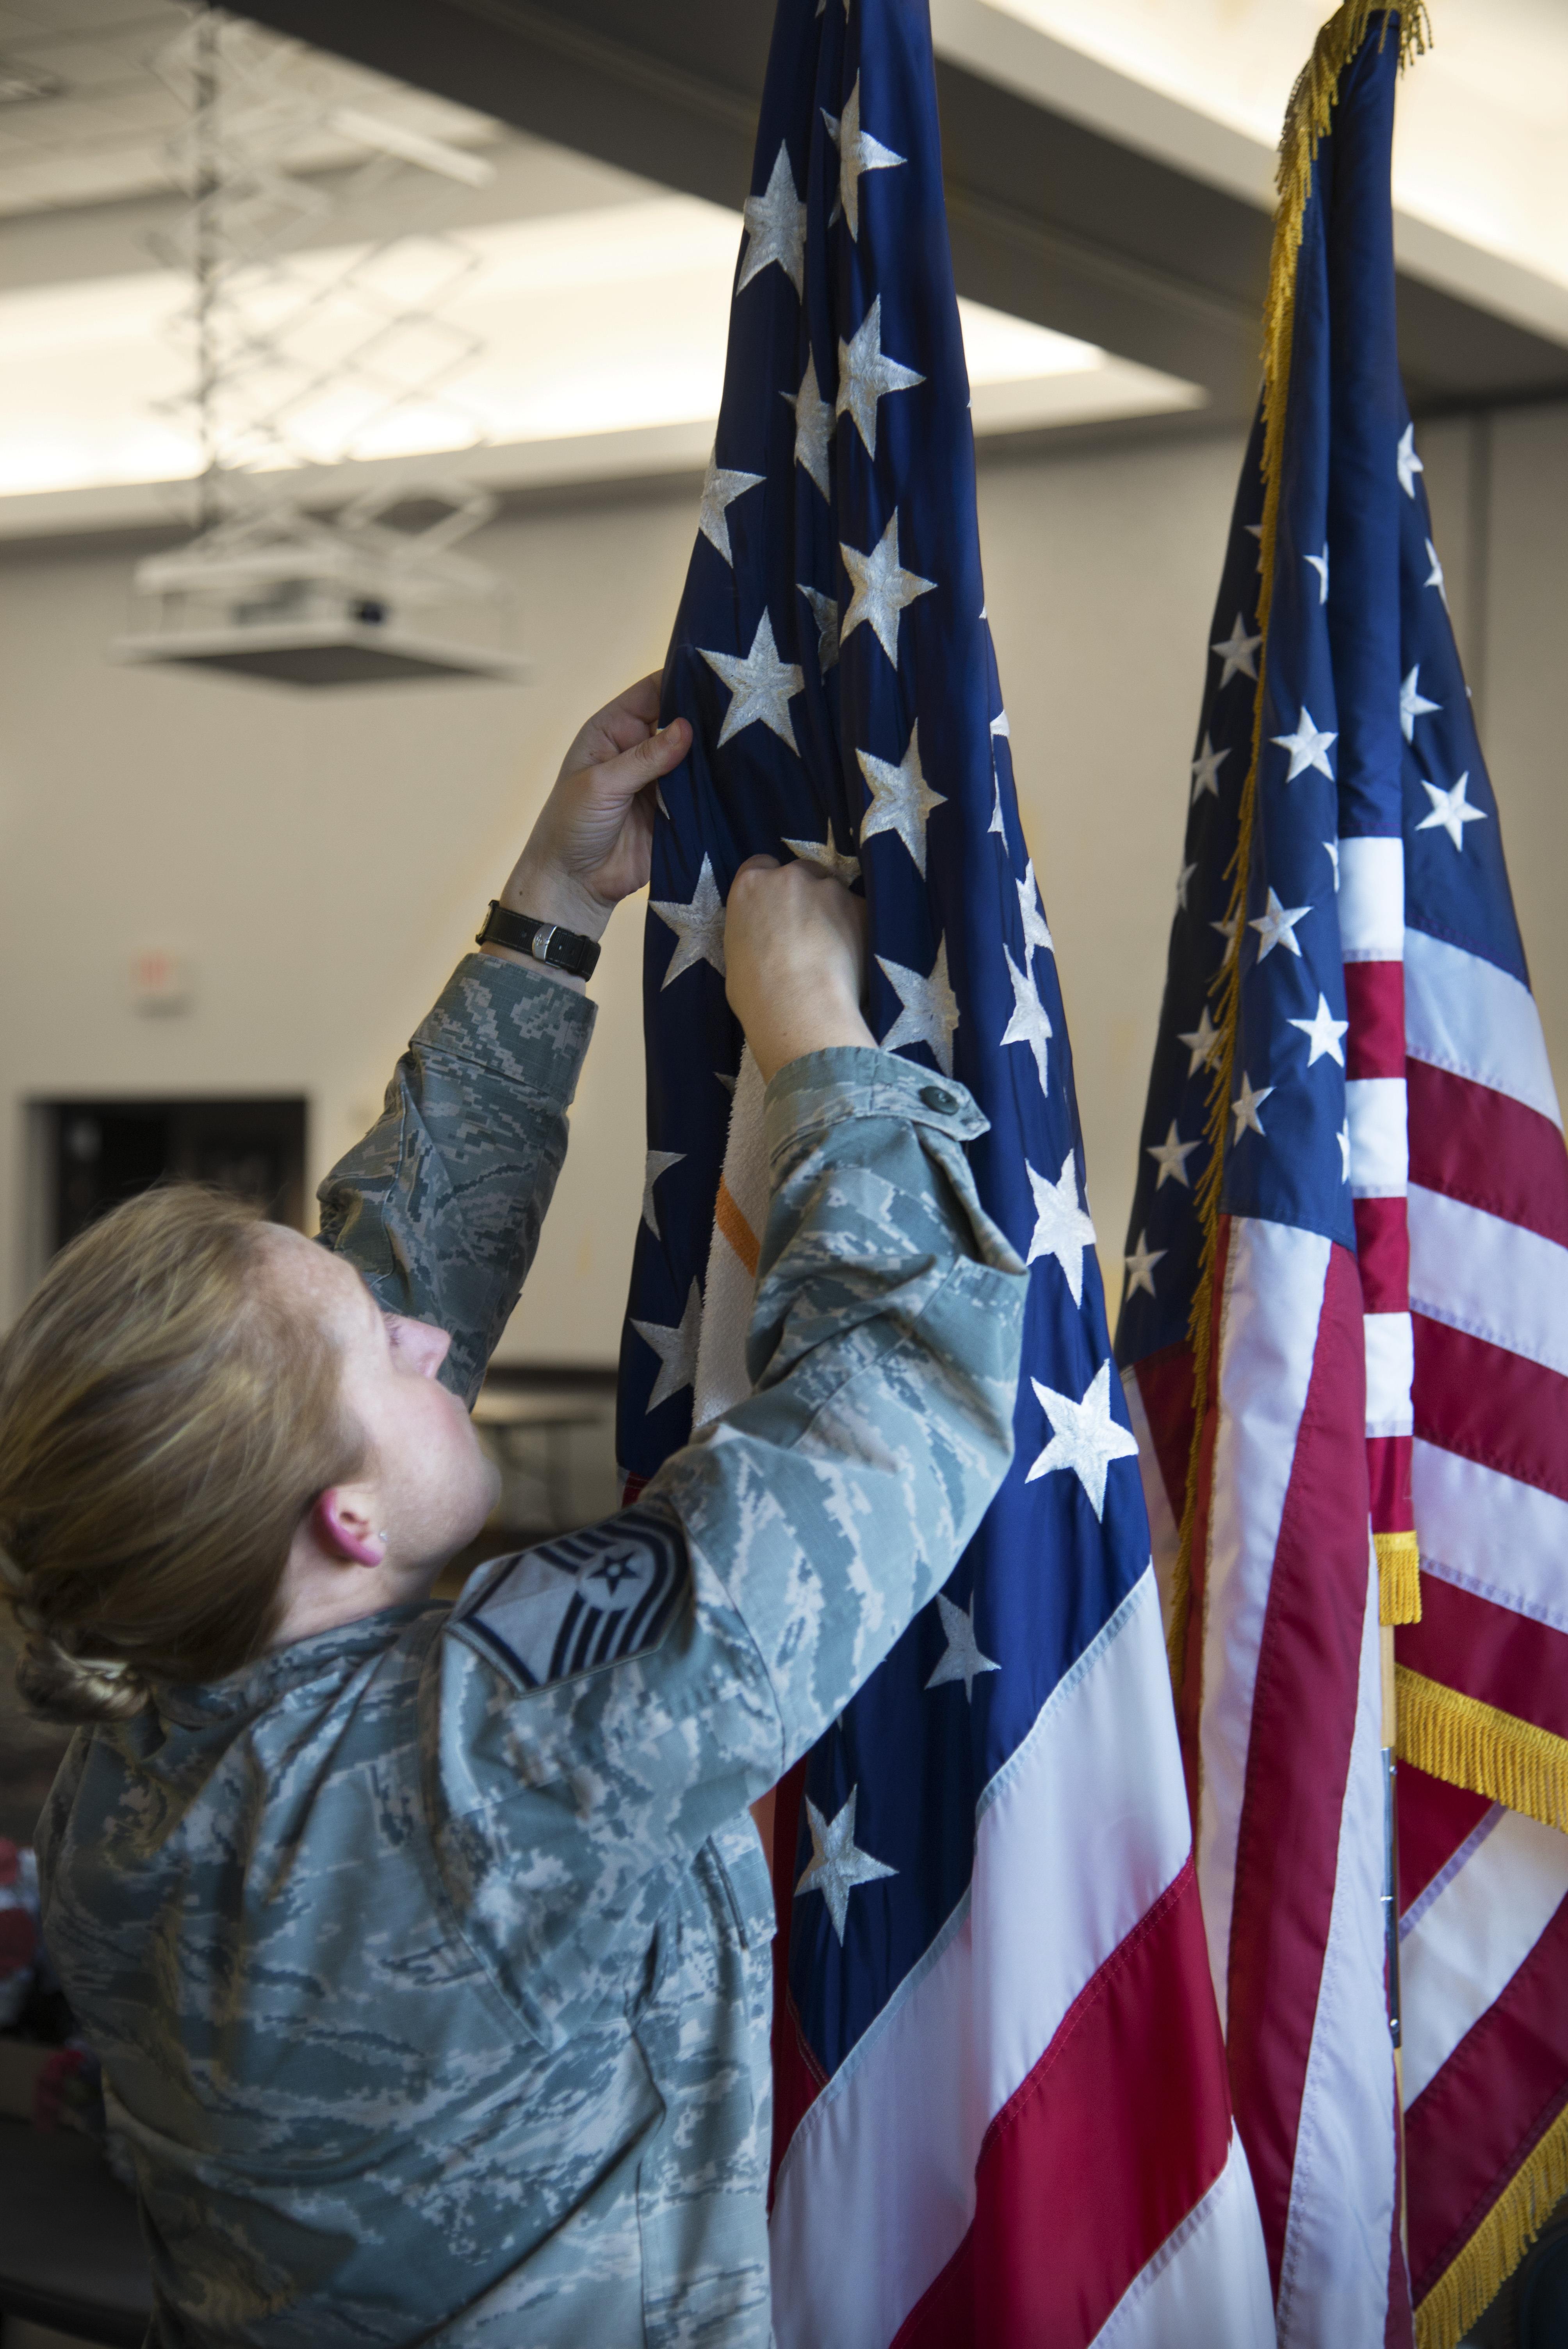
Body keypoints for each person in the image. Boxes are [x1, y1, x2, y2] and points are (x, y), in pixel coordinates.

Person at [0, 674, 1028, 2347]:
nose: (427, 1336)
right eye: (390, 1361)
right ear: (340, 1523)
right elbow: (907, 1389)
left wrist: (547, 911)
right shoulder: (501, 1764)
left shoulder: (133, 1751)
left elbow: (373, 1284)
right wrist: (819, 1049)